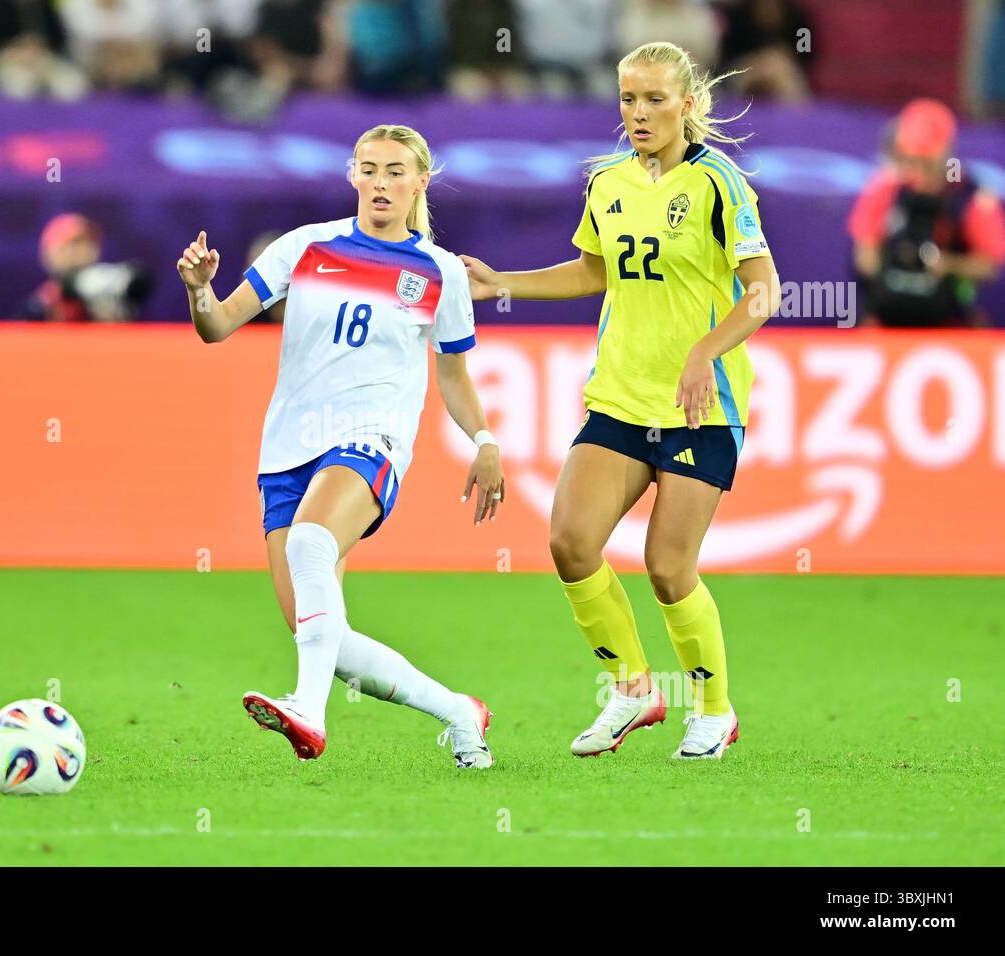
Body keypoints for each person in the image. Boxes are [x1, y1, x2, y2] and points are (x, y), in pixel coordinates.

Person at [462, 41, 780, 760]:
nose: (638, 113)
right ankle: (633, 691)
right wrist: (500, 282)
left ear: (689, 105)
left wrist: (705, 352)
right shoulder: (607, 182)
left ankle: (714, 711)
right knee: (570, 542)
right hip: (620, 398)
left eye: (655, 100)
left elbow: (764, 291)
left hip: (702, 405)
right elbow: (590, 273)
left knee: (669, 568)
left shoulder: (718, 184)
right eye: (628, 100)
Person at [176, 124, 503, 768]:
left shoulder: (440, 272)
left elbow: (454, 375)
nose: (381, 184)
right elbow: (217, 327)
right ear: (352, 175)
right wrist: (198, 289)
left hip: (371, 440)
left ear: (421, 181)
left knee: (308, 542)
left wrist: (485, 439)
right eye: (370, 170)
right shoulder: (304, 247)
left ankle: (308, 712)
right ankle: (461, 713)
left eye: (396, 171)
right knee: (320, 634)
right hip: (286, 453)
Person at [848, 98, 1005, 327]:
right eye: (912, 155)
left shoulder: (969, 195)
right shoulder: (885, 188)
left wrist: (947, 264)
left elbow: (990, 265)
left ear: (946, 150)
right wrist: (898, 263)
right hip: (885, 315)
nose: (918, 166)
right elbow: (865, 258)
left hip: (947, 319)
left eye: (926, 157)